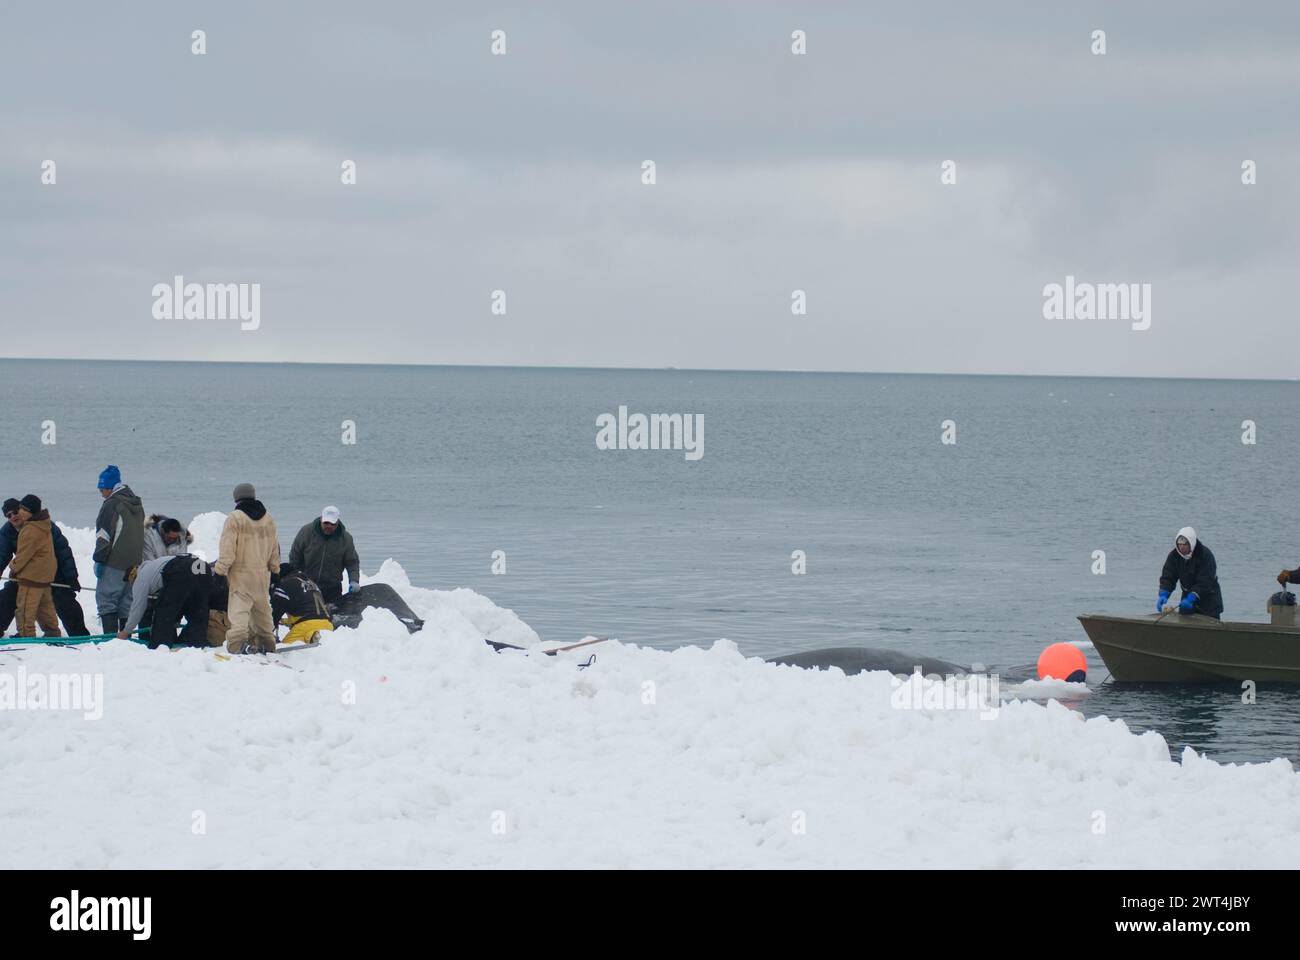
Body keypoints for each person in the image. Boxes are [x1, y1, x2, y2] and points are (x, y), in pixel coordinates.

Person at [0, 497, 88, 636]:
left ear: (23, 510)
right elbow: (2, 554)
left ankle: (79, 634)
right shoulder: (7, 531)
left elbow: (63, 551)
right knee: (9, 595)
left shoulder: (43, 526)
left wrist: (71, 577)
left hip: (53, 570)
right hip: (27, 574)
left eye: (16, 511)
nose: (13, 516)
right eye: (8, 515)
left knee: (63, 598)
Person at [213, 483, 280, 655]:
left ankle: (237, 644)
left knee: (239, 612)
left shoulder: (235, 518)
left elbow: (227, 550)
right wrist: (275, 569)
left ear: (236, 498)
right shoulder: (268, 519)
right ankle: (267, 641)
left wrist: (220, 571)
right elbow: (275, 548)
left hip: (241, 575)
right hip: (262, 575)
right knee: (262, 610)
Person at [117, 554, 214, 648]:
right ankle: (194, 642)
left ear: (133, 575)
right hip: (203, 567)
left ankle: (161, 647)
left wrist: (126, 631)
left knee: (163, 615)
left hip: (181, 570)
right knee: (197, 612)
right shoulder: (156, 564)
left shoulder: (141, 577)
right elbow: (181, 597)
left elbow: (137, 608)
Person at [93, 465, 144, 635]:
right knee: (126, 602)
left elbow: (104, 535)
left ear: (109, 487)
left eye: (102, 489)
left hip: (114, 561)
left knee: (107, 600)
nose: (101, 493)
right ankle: (125, 637)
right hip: (134, 563)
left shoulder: (112, 504)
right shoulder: (136, 503)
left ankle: (110, 640)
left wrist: (99, 560)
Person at [9, 495, 61, 638]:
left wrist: (12, 566)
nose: (19, 512)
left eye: (21, 509)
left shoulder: (30, 529)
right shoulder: (44, 524)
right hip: (45, 576)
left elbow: (23, 556)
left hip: (31, 578)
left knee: (26, 610)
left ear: (29, 511)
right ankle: (52, 632)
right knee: (45, 609)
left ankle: (26, 636)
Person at [288, 505, 360, 604]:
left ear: (337, 522)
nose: (329, 526)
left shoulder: (346, 539)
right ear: (321, 519)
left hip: (332, 588)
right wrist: (295, 578)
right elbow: (295, 557)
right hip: (308, 585)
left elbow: (352, 562)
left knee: (333, 616)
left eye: (332, 523)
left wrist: (354, 580)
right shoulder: (306, 532)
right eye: (326, 523)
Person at [1158, 526, 1224, 619]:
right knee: (1184, 623)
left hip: (1209, 600)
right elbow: (1168, 576)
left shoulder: (1205, 555)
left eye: (1185, 544)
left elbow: (1205, 581)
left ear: (1191, 543)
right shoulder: (1174, 556)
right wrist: (1164, 592)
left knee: (1209, 627)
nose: (1181, 547)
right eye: (1179, 544)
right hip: (1187, 599)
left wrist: (1193, 596)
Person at [271, 564, 334, 645]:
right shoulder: (311, 583)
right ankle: (313, 637)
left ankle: (311, 637)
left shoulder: (285, 585)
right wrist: (284, 621)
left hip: (305, 626)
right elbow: (309, 610)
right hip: (327, 625)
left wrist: (264, 634)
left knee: (284, 654)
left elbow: (275, 614)